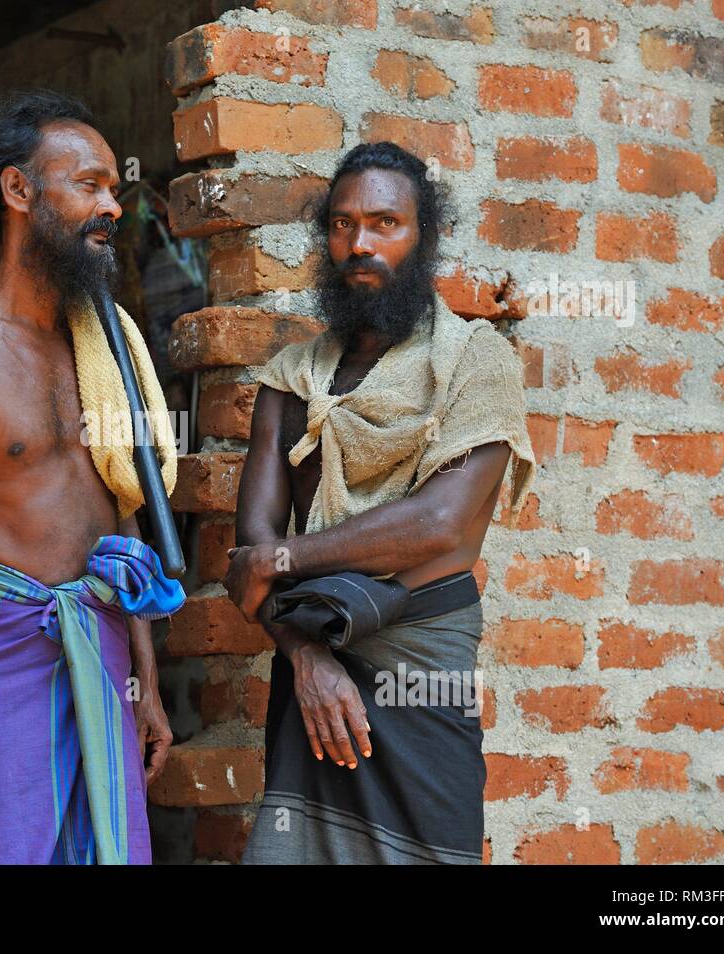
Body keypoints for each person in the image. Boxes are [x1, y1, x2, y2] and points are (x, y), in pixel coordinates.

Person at [0, 89, 181, 865]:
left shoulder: (105, 343)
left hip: (104, 646)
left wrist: (144, 681)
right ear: (19, 191)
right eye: (88, 183)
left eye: (114, 187)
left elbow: (125, 518)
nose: (110, 206)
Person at [226, 142, 536, 864]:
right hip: (316, 679)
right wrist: (306, 656)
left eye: (383, 224)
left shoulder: (475, 362)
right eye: (340, 226)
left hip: (423, 685)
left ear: (424, 234)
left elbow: (440, 526)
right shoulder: (293, 378)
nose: (359, 245)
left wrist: (285, 556)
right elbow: (248, 562)